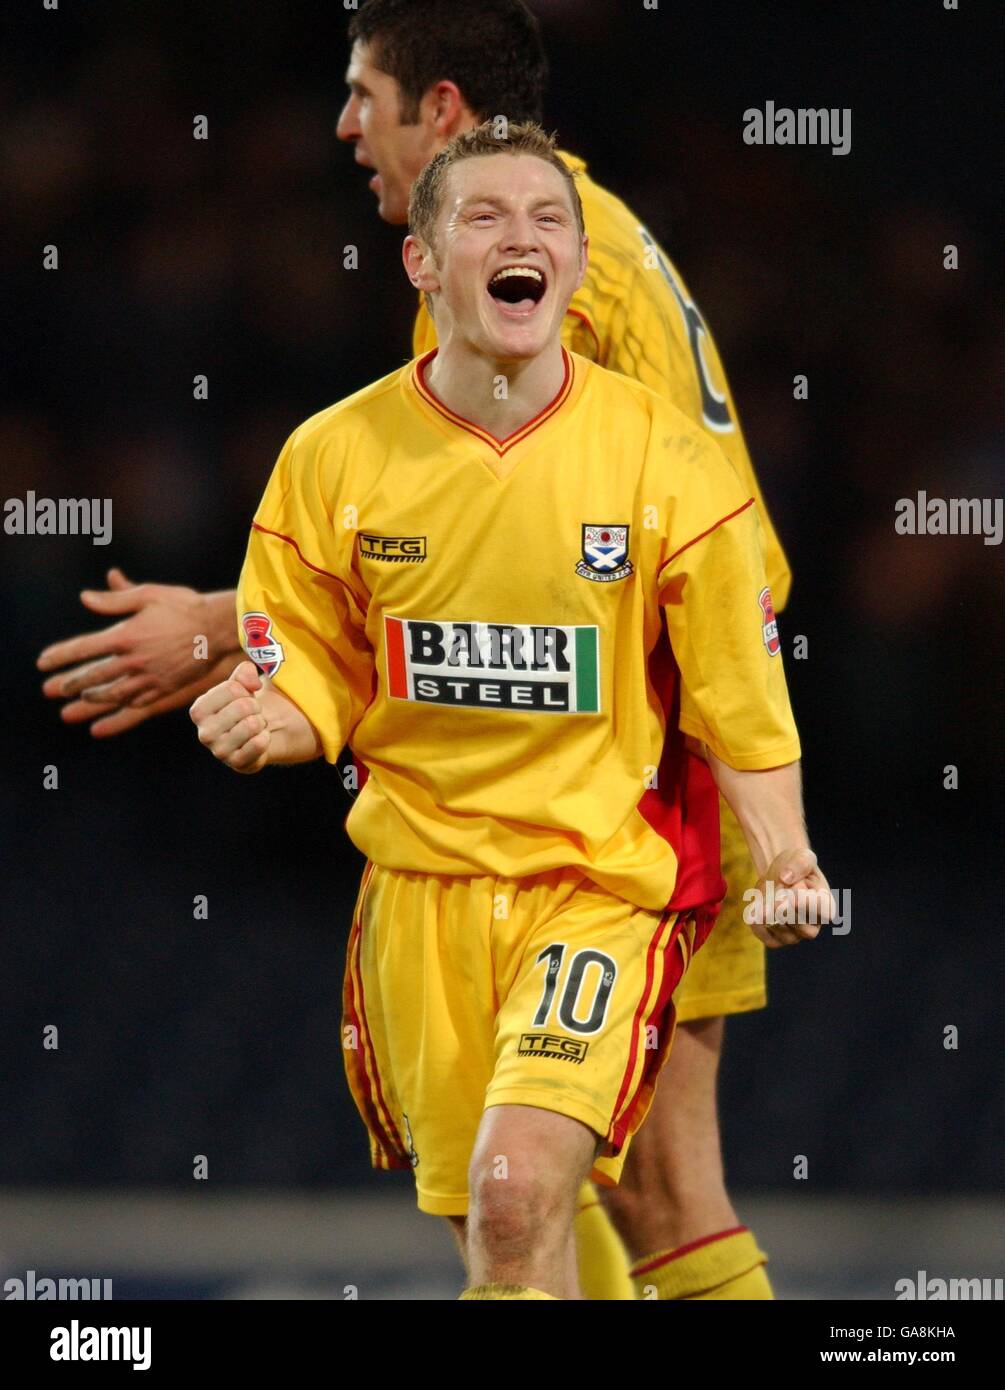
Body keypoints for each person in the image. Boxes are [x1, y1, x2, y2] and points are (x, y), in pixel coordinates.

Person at [38, 0, 791, 1300]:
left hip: (647, 758)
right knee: (568, 1193)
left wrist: (224, 627)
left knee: (652, 1188)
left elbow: (629, 534)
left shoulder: (555, 266)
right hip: (605, 742)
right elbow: (462, 536)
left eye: (363, 96)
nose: (343, 127)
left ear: (440, 109)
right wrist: (252, 627)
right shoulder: (557, 236)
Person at [190, 121, 830, 1302]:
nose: (521, 238)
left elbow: (739, 702)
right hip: (420, 895)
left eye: (547, 221)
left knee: (518, 1187)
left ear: (579, 267)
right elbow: (311, 654)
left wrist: (785, 851)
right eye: (483, 218)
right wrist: (279, 714)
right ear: (422, 265)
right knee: (500, 1234)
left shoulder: (666, 464)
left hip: (598, 886)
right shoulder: (331, 458)